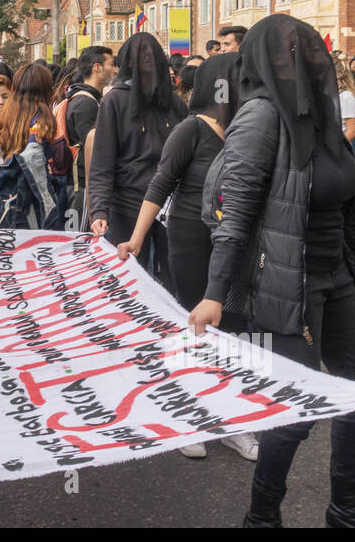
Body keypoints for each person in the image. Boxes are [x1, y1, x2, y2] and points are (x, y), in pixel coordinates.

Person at [190, 15, 355, 528]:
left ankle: (348, 508)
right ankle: (262, 515)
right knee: (293, 413)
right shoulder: (259, 116)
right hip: (280, 285)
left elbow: (347, 209)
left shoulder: (321, 116)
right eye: (287, 52)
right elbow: (233, 214)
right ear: (262, 61)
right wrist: (215, 293)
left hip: (335, 278)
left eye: (309, 50)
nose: (305, 61)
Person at [117, 53, 258, 462]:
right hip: (190, 240)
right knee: (194, 326)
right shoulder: (189, 130)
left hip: (235, 243)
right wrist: (138, 238)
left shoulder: (250, 129)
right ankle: (187, 417)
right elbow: (159, 185)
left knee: (233, 328)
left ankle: (231, 420)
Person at [87, 33, 186, 294]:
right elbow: (101, 164)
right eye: (142, 61)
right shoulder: (115, 102)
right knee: (132, 285)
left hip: (171, 209)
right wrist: (98, 211)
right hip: (127, 206)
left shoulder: (173, 103)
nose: (148, 67)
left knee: (177, 285)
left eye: (152, 60)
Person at [0, 63, 55, 227]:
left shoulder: (2, 115)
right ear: (44, 87)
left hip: (3, 192)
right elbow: (34, 152)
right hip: (31, 197)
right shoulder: (42, 116)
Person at [62, 45, 115, 191]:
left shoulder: (80, 97)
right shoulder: (86, 103)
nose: (115, 70)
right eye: (111, 64)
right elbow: (93, 148)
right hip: (82, 185)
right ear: (97, 67)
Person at [333, 51, 355, 150]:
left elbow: (352, 130)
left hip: (337, 153)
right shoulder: (334, 94)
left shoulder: (346, 97)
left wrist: (336, 149)